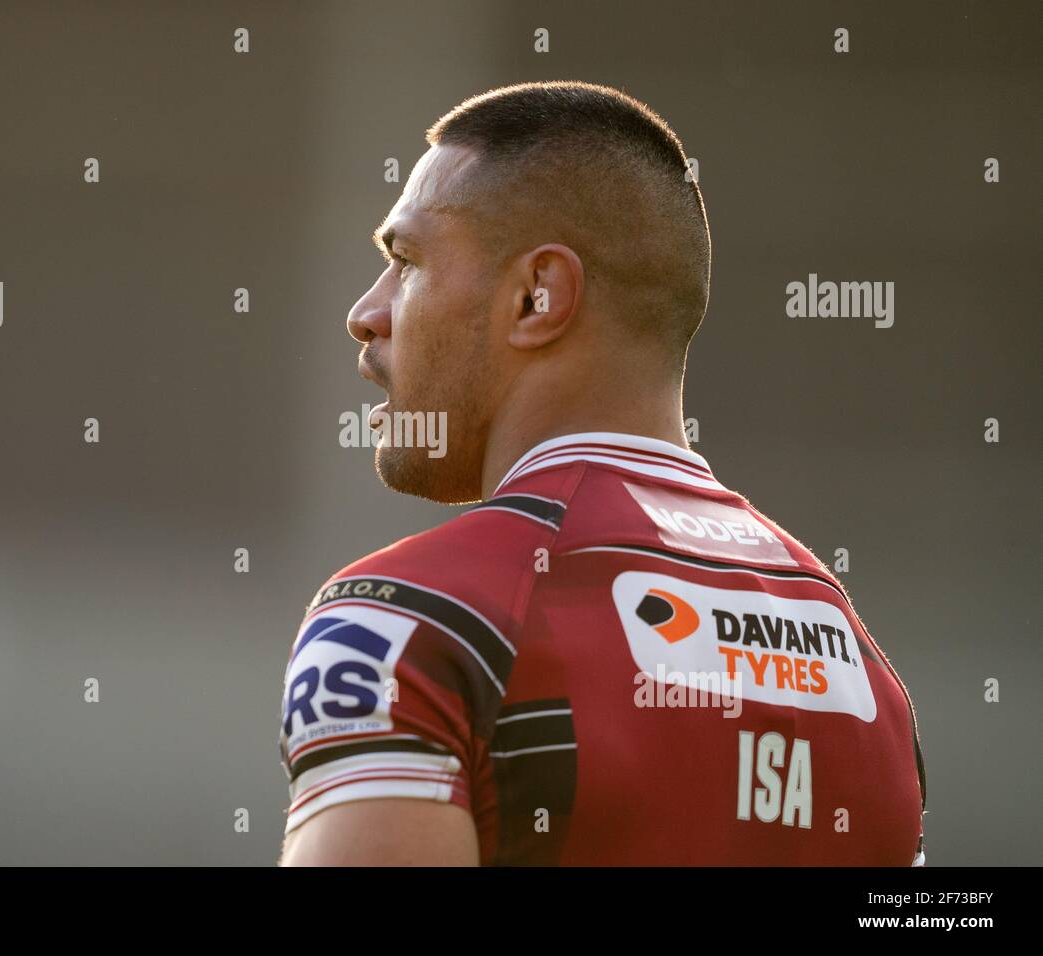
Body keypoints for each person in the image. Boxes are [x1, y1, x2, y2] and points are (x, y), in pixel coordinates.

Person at [277, 80, 925, 866]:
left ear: (536, 297)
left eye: (405, 261)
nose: (366, 311)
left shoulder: (405, 623)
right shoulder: (858, 660)